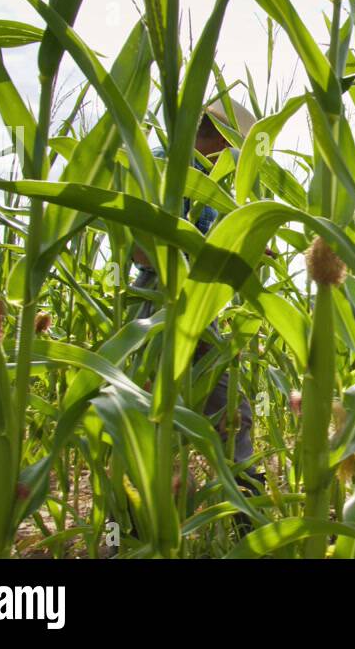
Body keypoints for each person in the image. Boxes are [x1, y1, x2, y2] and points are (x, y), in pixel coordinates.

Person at [131, 101, 261, 495]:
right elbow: (141, 251)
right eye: (233, 146)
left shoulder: (215, 180)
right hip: (157, 300)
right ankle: (138, 515)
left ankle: (245, 501)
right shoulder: (155, 165)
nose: (236, 158)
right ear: (220, 137)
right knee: (148, 409)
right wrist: (220, 252)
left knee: (231, 407)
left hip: (205, 303)